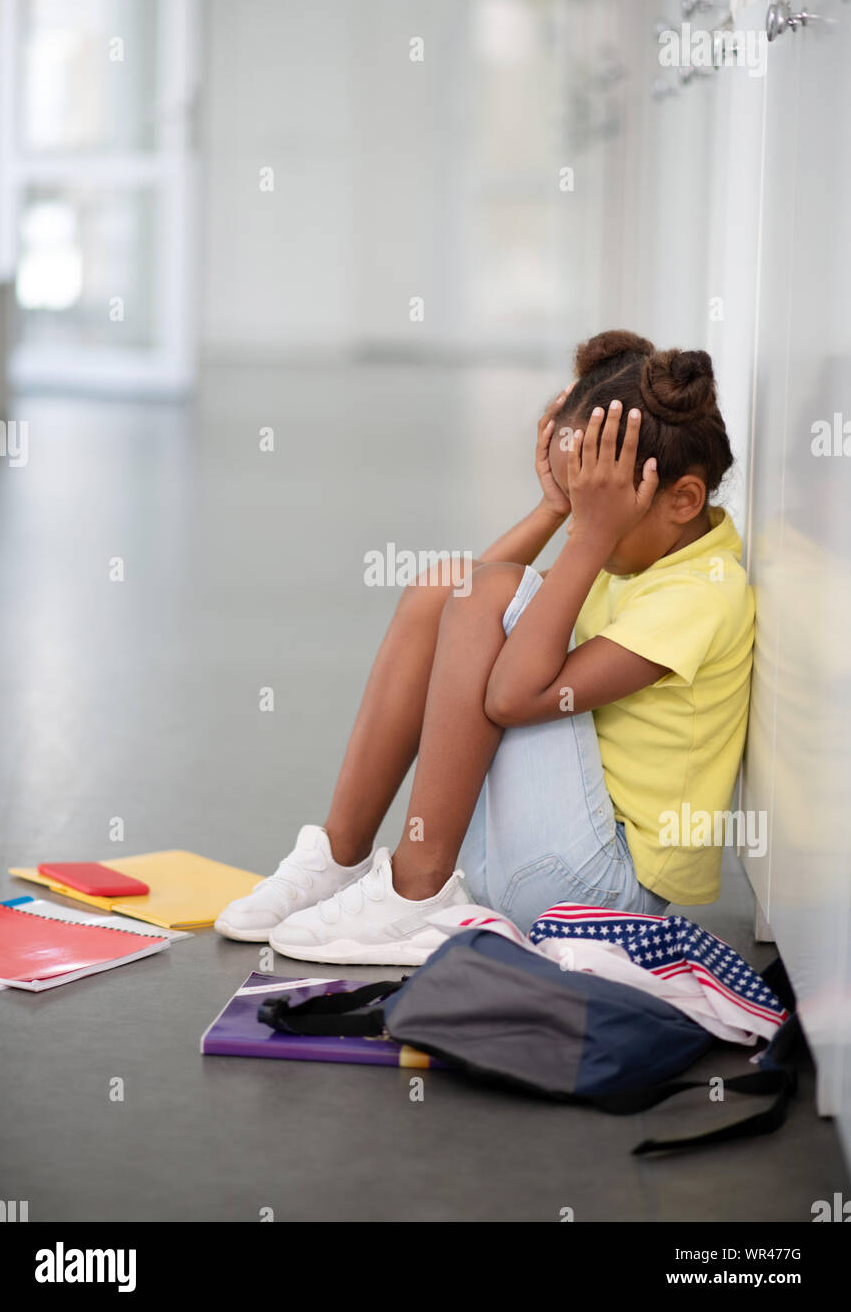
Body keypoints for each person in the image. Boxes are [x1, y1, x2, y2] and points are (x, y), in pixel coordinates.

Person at [216, 330, 755, 965]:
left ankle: (416, 889)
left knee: (491, 596)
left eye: (598, 513)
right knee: (442, 586)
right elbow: (457, 606)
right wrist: (554, 513)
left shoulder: (701, 594)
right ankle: (338, 857)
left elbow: (512, 695)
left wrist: (585, 537)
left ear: (683, 498)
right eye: (577, 506)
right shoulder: (644, 554)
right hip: (542, 851)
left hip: (598, 892)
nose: (587, 529)